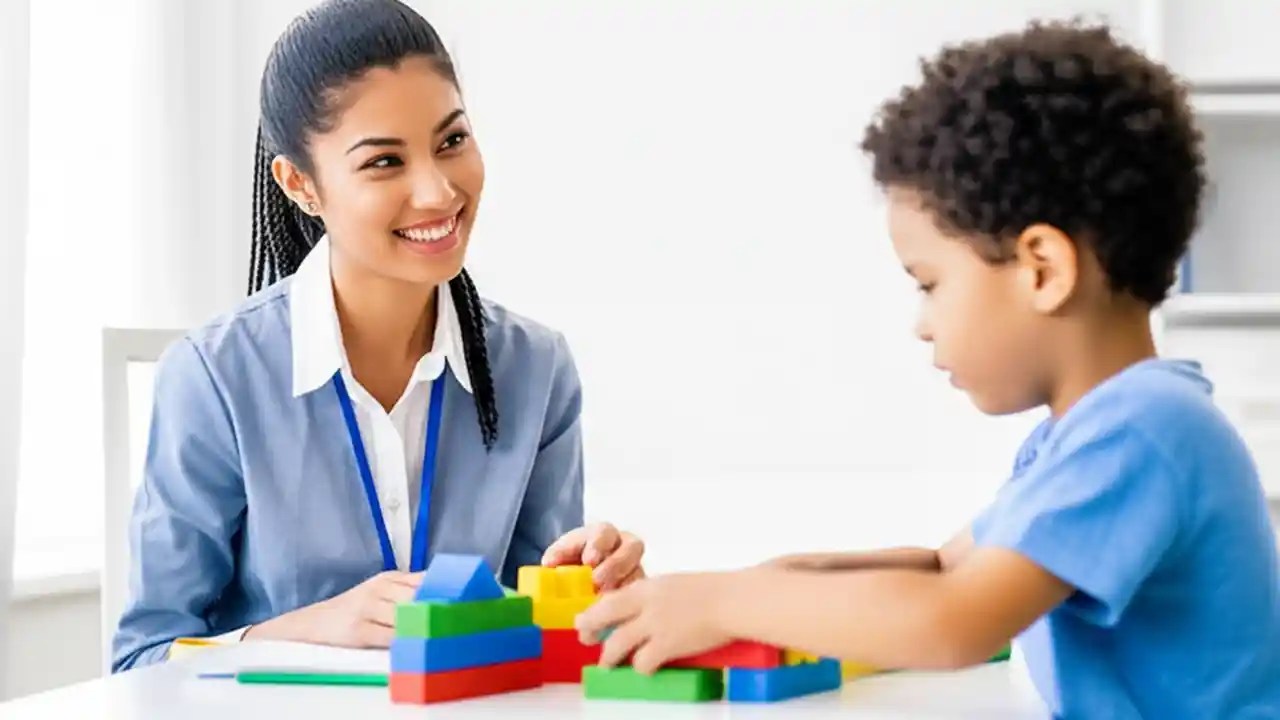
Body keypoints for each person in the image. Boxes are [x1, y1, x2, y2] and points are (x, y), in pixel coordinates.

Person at [575, 20, 1280, 718]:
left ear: (1043, 269)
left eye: (930, 283)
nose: (922, 323)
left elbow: (954, 620)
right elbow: (943, 566)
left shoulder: (1144, 431)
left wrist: (730, 602)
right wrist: (716, 593)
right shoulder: (1086, 436)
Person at [112, 0, 644, 672]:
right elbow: (141, 663)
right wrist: (313, 628)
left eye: (451, 141)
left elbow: (540, 645)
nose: (438, 192)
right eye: (385, 162)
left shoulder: (536, 370)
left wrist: (598, 602)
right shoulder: (213, 378)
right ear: (300, 184)